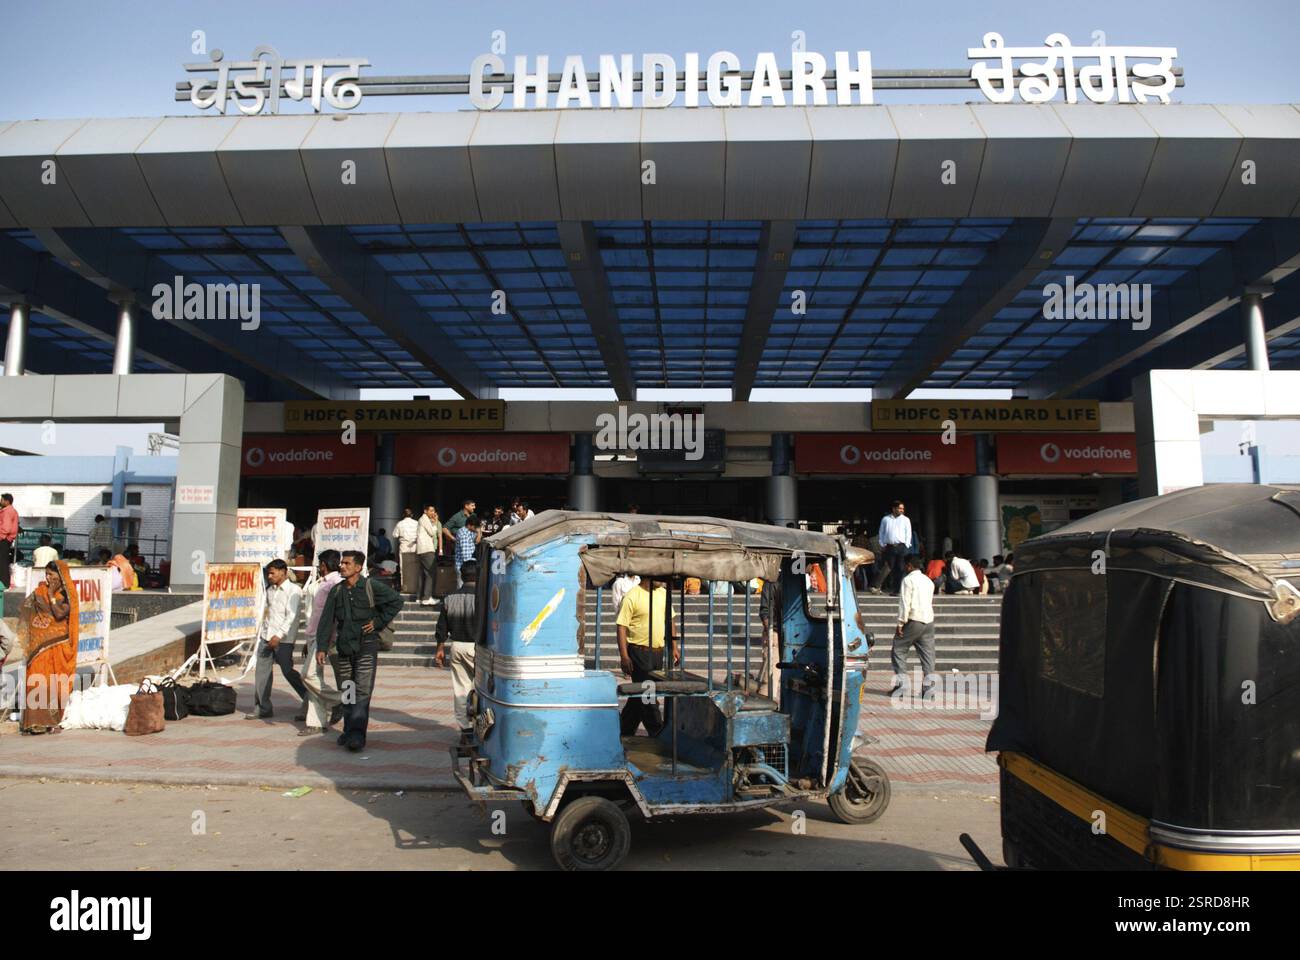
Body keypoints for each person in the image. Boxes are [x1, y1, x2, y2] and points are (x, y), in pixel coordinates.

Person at [315, 550, 403, 751]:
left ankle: (357, 735)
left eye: (347, 563)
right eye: (342, 563)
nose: (342, 566)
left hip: (366, 646)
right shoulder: (336, 591)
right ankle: (348, 730)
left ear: (358, 567)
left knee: (362, 691)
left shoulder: (371, 586)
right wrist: (321, 647)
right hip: (344, 648)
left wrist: (378, 622)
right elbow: (326, 621)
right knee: (347, 690)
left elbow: (397, 601)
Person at [18, 561, 79, 733]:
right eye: (46, 574)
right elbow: (26, 608)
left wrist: (52, 594)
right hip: (39, 647)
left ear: (61, 576)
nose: (48, 578)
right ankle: (35, 723)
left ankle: (50, 720)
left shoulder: (69, 596)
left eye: (52, 575)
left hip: (58, 647)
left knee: (54, 683)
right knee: (36, 679)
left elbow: (60, 615)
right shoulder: (39, 591)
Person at [616, 577, 679, 737]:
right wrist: (624, 656)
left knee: (640, 694)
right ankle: (657, 731)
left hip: (658, 652)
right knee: (648, 694)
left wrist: (674, 646)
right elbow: (621, 627)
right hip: (639, 653)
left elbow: (670, 620)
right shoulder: (632, 595)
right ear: (648, 576)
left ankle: (625, 729)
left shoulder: (663, 594)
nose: (661, 580)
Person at [247, 559, 309, 721]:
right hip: (266, 637)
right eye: (268, 573)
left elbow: (292, 615)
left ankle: (310, 699)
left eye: (273, 572)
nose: (270, 576)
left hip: (284, 639)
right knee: (262, 674)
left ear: (283, 572)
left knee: (288, 671)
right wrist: (263, 634)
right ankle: (262, 707)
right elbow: (267, 614)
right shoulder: (269, 590)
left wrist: (279, 635)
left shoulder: (293, 590)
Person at [299, 550, 346, 736]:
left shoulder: (336, 583)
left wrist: (326, 640)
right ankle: (316, 722)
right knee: (314, 679)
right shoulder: (322, 583)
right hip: (313, 635)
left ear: (324, 564)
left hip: (324, 638)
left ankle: (340, 700)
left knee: (307, 676)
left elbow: (333, 616)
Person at [435, 558, 479, 734]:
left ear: (462, 575)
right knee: (481, 688)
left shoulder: (449, 598)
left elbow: (441, 626)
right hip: (479, 648)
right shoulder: (482, 599)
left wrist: (439, 648)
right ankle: (480, 726)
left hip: (457, 646)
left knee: (461, 688)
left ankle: (465, 729)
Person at [892, 554, 936, 697]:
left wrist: (900, 622)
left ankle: (902, 686)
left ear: (909, 566)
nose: (905, 567)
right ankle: (929, 689)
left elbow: (905, 603)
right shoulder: (929, 581)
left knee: (899, 649)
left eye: (906, 565)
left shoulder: (908, 580)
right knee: (928, 655)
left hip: (913, 620)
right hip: (928, 621)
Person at [870, 500, 912, 596]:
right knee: (887, 566)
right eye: (900, 508)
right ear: (894, 509)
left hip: (901, 546)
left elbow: (908, 533)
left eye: (903, 508)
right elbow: (881, 532)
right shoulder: (885, 519)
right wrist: (882, 543)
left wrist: (907, 544)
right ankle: (875, 585)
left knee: (900, 568)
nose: (902, 510)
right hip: (889, 546)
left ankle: (897, 590)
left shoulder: (906, 519)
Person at [416, 505, 442, 606]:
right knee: (431, 572)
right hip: (427, 549)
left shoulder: (423, 519)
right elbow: (432, 532)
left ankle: (420, 596)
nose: (433, 513)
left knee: (423, 573)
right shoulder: (424, 519)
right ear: (425, 511)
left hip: (423, 549)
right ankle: (427, 598)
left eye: (434, 511)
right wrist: (435, 522)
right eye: (431, 511)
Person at [393, 508, 420, 596]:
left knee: (403, 567)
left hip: (404, 545)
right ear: (412, 515)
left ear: (403, 515)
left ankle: (404, 587)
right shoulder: (416, 523)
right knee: (415, 566)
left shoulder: (400, 523)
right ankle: (415, 586)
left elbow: (395, 535)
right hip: (414, 546)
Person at [453, 514, 481, 588]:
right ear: (469, 525)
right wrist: (474, 565)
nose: (476, 529)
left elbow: (476, 541)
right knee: (463, 588)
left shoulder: (470, 531)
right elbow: (466, 555)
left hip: (469, 566)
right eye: (475, 527)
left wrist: (479, 532)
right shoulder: (463, 534)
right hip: (464, 566)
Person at [0, 493, 18, 589]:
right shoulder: (11, 511)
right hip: (6, 539)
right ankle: (4, 584)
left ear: (7, 501)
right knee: (3, 561)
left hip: (3, 539)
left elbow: (6, 528)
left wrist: (1, 537)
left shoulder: (7, 512)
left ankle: (4, 584)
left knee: (2, 562)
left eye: (2, 500)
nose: (1, 501)